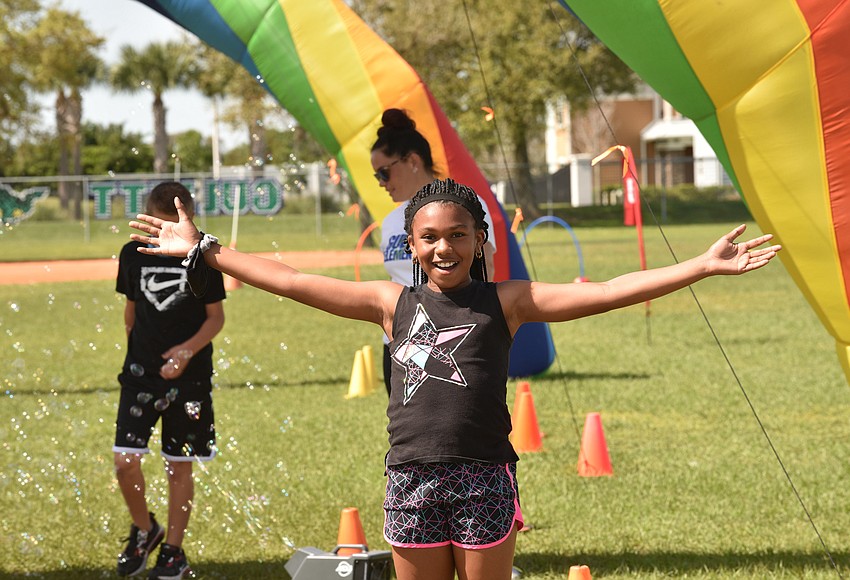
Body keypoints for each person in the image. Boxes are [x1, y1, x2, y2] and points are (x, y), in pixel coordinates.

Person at [128, 178, 780, 580]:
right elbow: (294, 281)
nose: (445, 248)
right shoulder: (389, 304)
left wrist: (699, 266)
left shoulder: (509, 301)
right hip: (411, 478)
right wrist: (207, 248)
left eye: (458, 235)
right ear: (411, 245)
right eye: (430, 237)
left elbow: (610, 289)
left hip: (484, 478)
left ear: (479, 239)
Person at [114, 181, 226, 579]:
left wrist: (185, 352)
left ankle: (173, 551)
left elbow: (215, 319)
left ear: (188, 217)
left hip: (190, 378)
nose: (166, 233)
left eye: (173, 224)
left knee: (179, 467)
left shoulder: (204, 255)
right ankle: (146, 530)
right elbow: (131, 312)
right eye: (158, 224)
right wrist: (138, 357)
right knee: (125, 461)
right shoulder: (132, 254)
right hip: (141, 377)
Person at [371, 108, 496, 395]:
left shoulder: (464, 205)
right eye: (377, 175)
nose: (381, 182)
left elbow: (485, 270)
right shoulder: (391, 221)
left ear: (412, 161)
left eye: (384, 172)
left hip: (454, 341)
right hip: (400, 345)